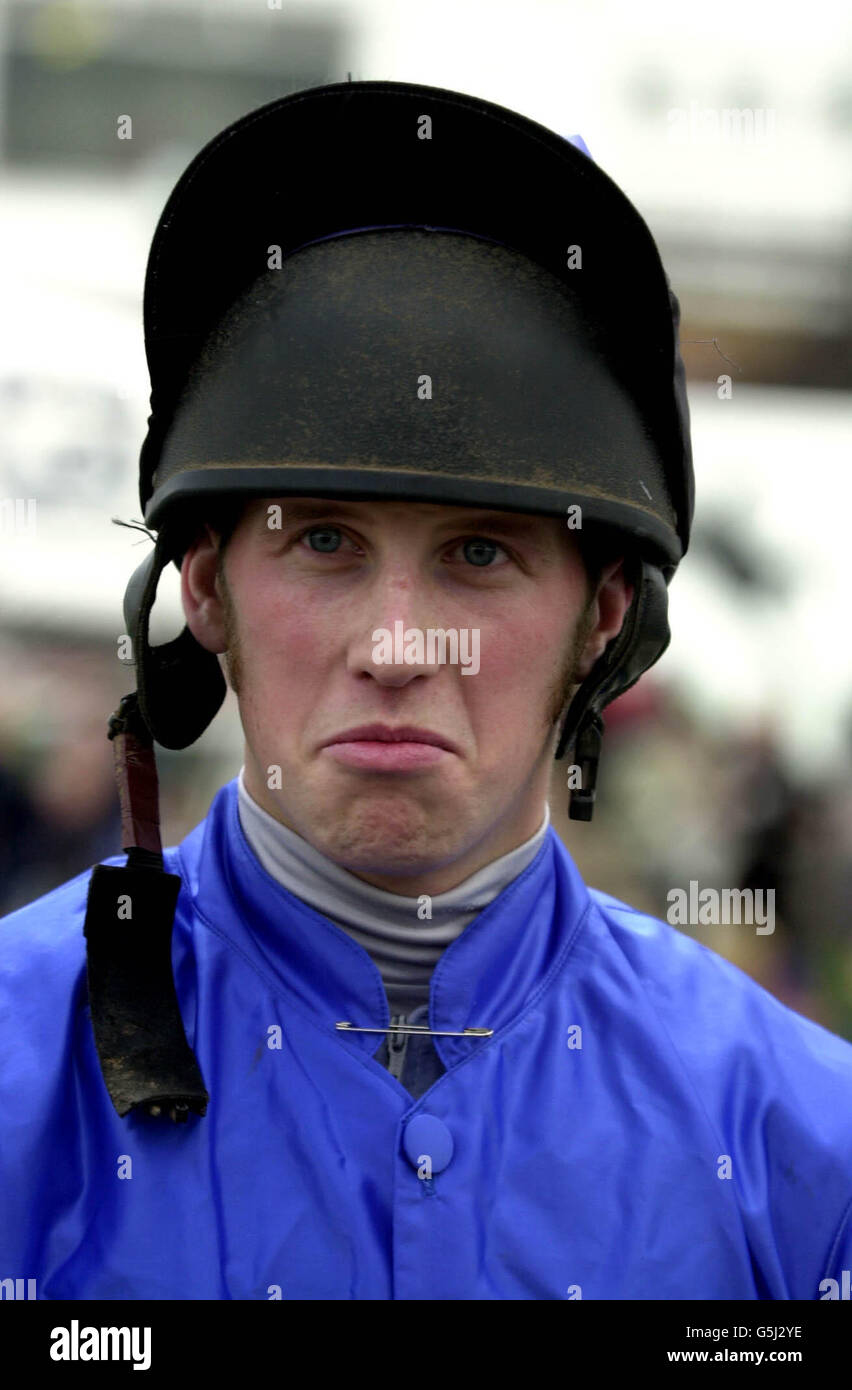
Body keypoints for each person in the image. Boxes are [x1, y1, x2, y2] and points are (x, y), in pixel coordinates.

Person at [1, 79, 851, 1302]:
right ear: (205, 590)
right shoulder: (16, 1081)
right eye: (326, 543)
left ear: (602, 619)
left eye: (478, 554)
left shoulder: (804, 1148)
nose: (400, 647)